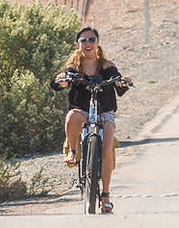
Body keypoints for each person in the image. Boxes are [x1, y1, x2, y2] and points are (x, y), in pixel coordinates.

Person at [51, 26, 132, 214]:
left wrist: (122, 82)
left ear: (98, 43)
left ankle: (105, 196)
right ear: (78, 44)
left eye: (92, 39)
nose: (88, 43)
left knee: (106, 151)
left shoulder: (106, 65)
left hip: (105, 113)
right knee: (72, 116)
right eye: (84, 40)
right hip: (82, 111)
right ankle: (72, 151)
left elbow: (118, 82)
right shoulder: (74, 67)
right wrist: (61, 81)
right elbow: (58, 82)